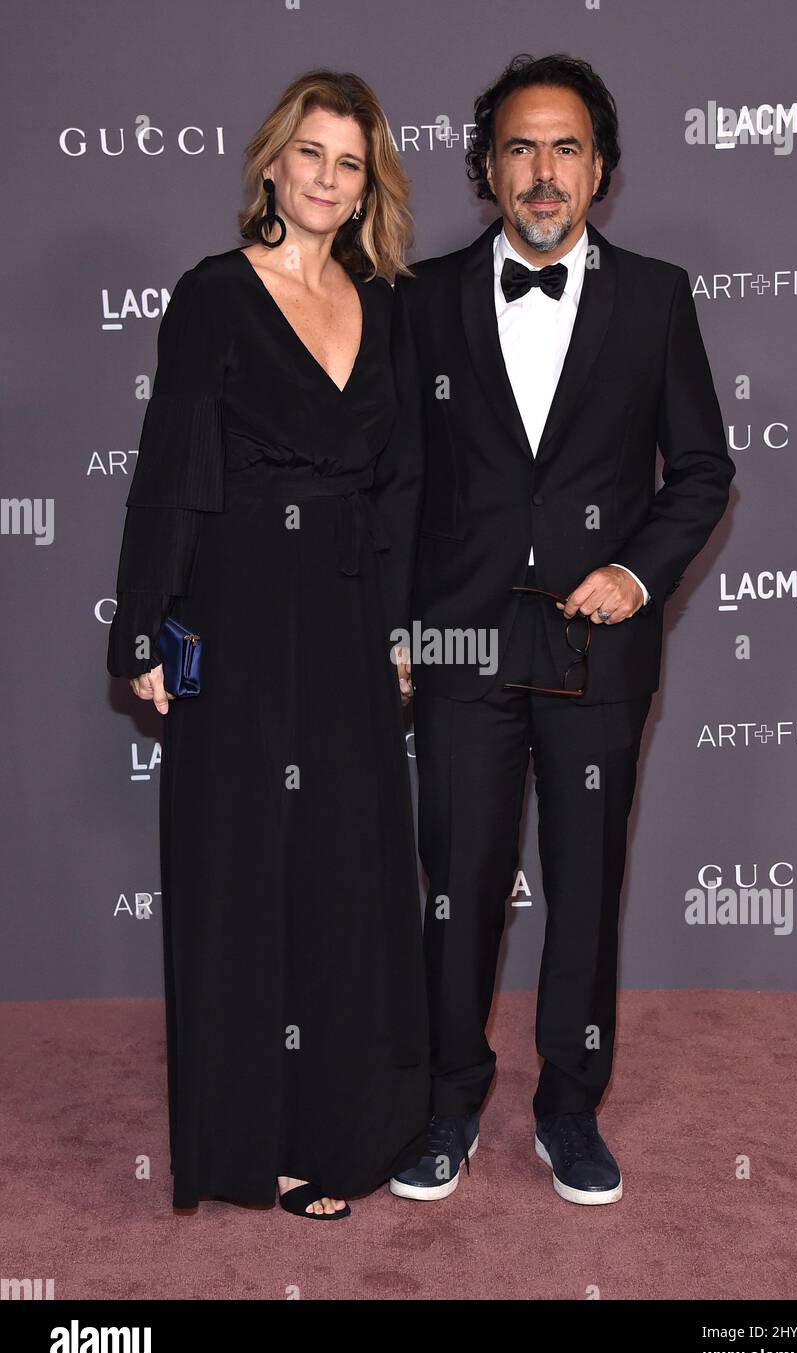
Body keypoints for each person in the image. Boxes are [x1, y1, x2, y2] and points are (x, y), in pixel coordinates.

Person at [388, 54, 735, 1205]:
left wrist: (639, 572)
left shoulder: (657, 297)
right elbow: (396, 482)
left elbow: (701, 469)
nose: (545, 172)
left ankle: (569, 1107)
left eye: (568, 147)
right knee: (460, 883)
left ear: (604, 168)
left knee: (584, 886)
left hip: (599, 646)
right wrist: (397, 627)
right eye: (522, 148)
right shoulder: (422, 299)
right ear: (488, 168)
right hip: (460, 643)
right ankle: (447, 1102)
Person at [106, 70, 429, 1219]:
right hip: (236, 613)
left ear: (367, 182)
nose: (329, 180)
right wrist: (146, 620)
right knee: (243, 869)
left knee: (342, 872)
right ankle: (255, 1142)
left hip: (346, 619)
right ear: (273, 163)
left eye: (351, 163)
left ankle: (340, 1122)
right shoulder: (212, 294)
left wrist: (398, 631)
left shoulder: (382, 303)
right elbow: (173, 464)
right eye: (313, 155)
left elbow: (401, 487)